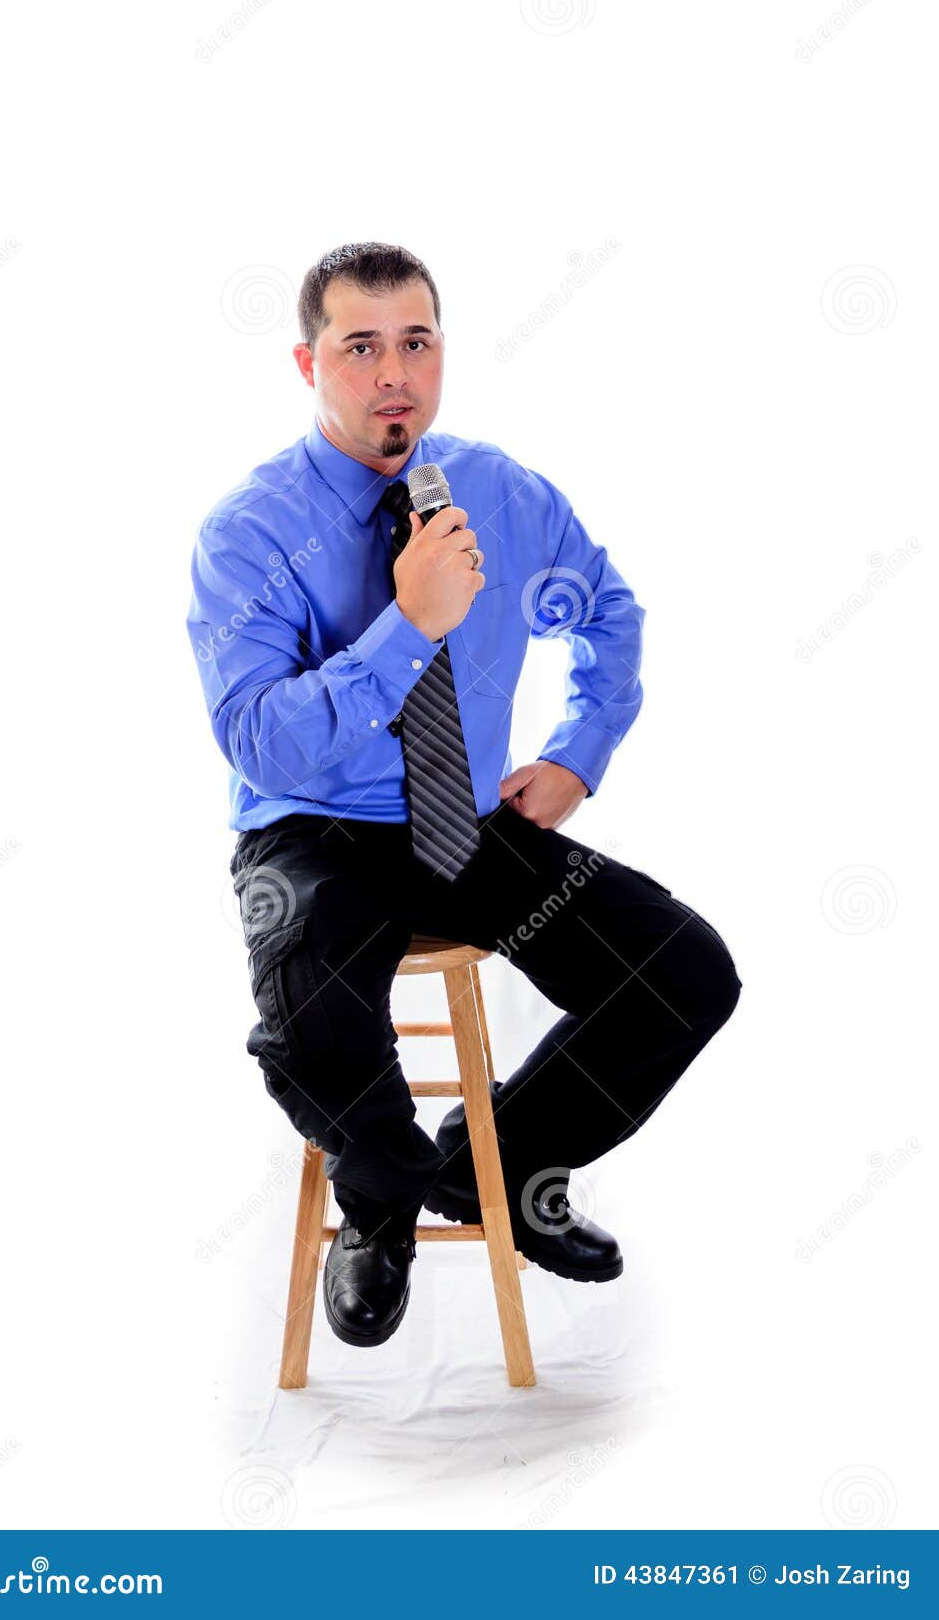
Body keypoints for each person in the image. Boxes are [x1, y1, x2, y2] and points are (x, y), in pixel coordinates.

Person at [186, 241, 742, 1349]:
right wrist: (408, 626)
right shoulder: (249, 534)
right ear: (309, 363)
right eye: (360, 347)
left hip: (464, 824)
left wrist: (578, 752)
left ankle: (498, 1162)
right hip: (315, 833)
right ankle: (378, 1203)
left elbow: (608, 613)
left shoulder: (500, 493)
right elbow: (261, 741)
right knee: (309, 1014)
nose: (394, 372)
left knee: (683, 975)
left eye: (416, 342)